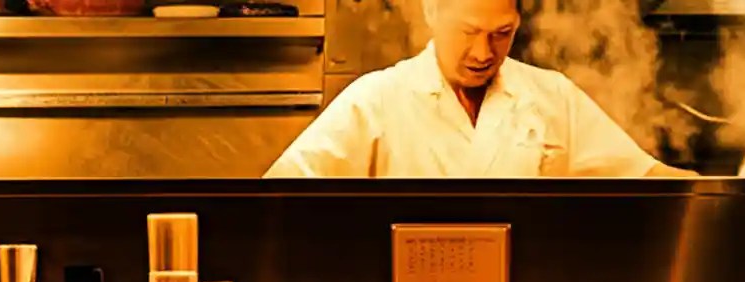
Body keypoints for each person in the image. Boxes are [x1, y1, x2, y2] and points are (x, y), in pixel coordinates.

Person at [265, 0, 696, 178]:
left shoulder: (551, 96)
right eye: (467, 31)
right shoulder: (377, 99)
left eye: (501, 33)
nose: (482, 52)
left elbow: (643, 178)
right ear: (432, 13)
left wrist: (724, 194)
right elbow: (282, 191)